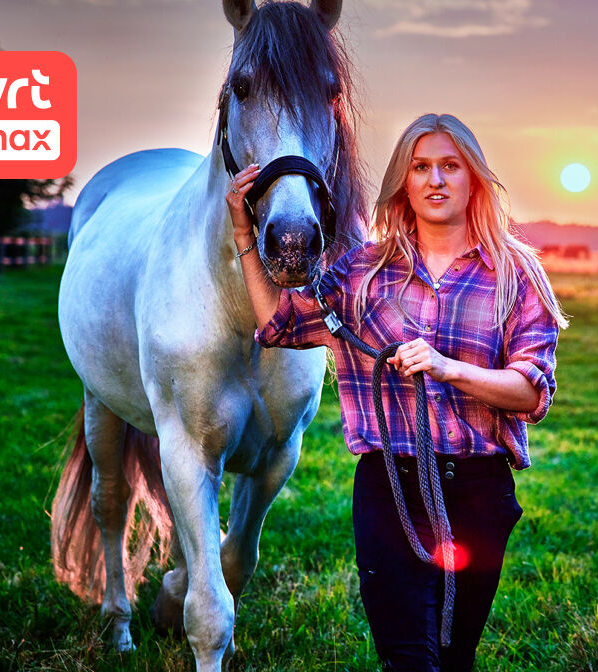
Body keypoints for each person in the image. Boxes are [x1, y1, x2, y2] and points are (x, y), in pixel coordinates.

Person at [226, 113, 568, 671]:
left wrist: (446, 367)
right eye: (421, 167)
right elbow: (282, 325)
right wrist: (245, 234)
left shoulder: (516, 274)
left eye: (450, 166)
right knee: (408, 658)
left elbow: (531, 393)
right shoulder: (361, 272)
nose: (436, 179)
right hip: (390, 487)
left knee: (455, 657)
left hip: (480, 491)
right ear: (403, 183)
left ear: (473, 179)